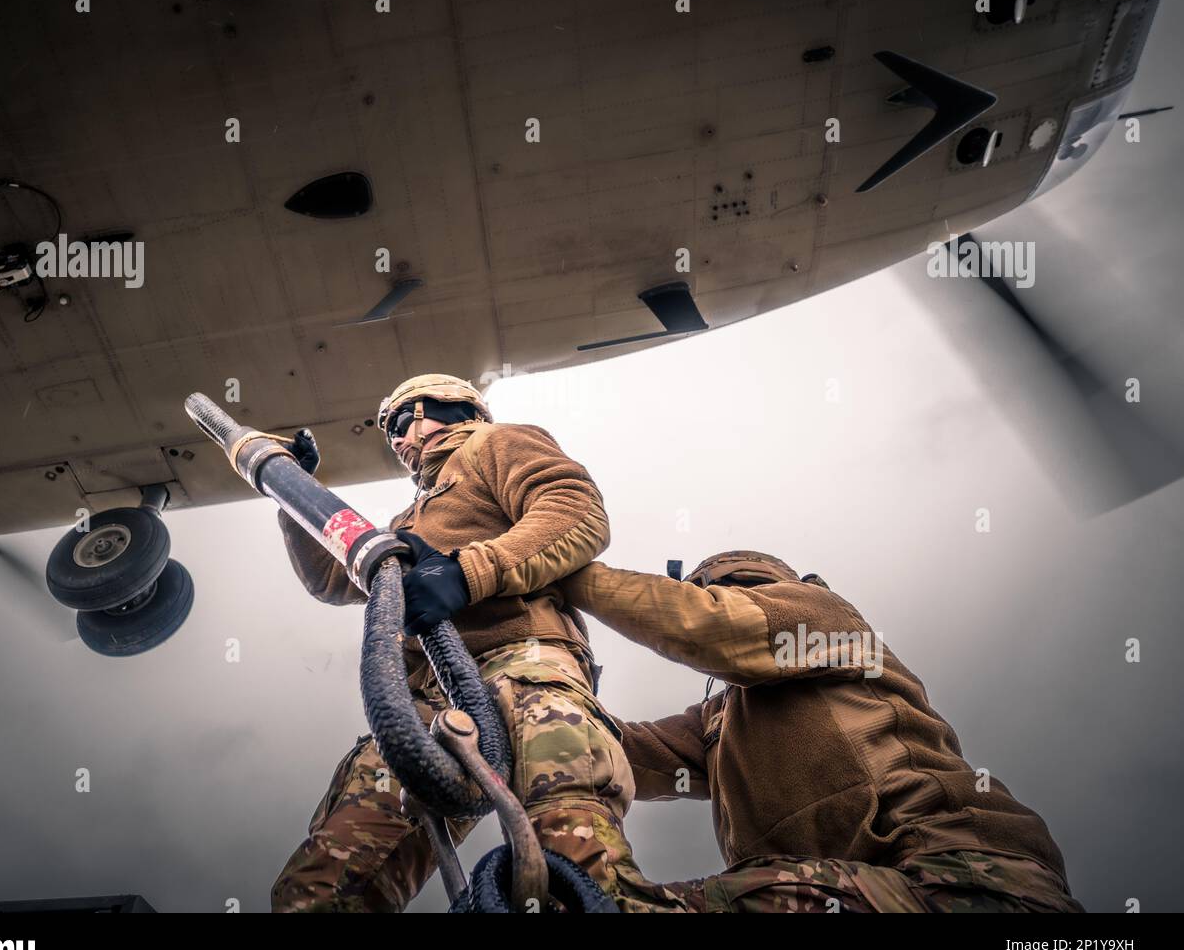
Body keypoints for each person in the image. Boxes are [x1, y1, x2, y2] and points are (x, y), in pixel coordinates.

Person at [270, 374, 680, 912]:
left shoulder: (495, 443)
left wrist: (467, 574)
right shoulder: (406, 519)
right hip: (425, 705)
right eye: (388, 432)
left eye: (398, 423)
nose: (395, 442)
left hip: (524, 667)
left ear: (438, 408)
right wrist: (291, 493)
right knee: (325, 882)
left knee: (572, 858)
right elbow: (330, 578)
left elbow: (574, 511)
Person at [559, 551, 1084, 912]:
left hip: (960, 875)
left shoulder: (824, 618)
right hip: (861, 890)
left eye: (735, 588)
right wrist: (531, 700)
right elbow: (615, 750)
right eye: (708, 589)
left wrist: (555, 569)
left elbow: (705, 625)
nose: (720, 597)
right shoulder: (719, 721)